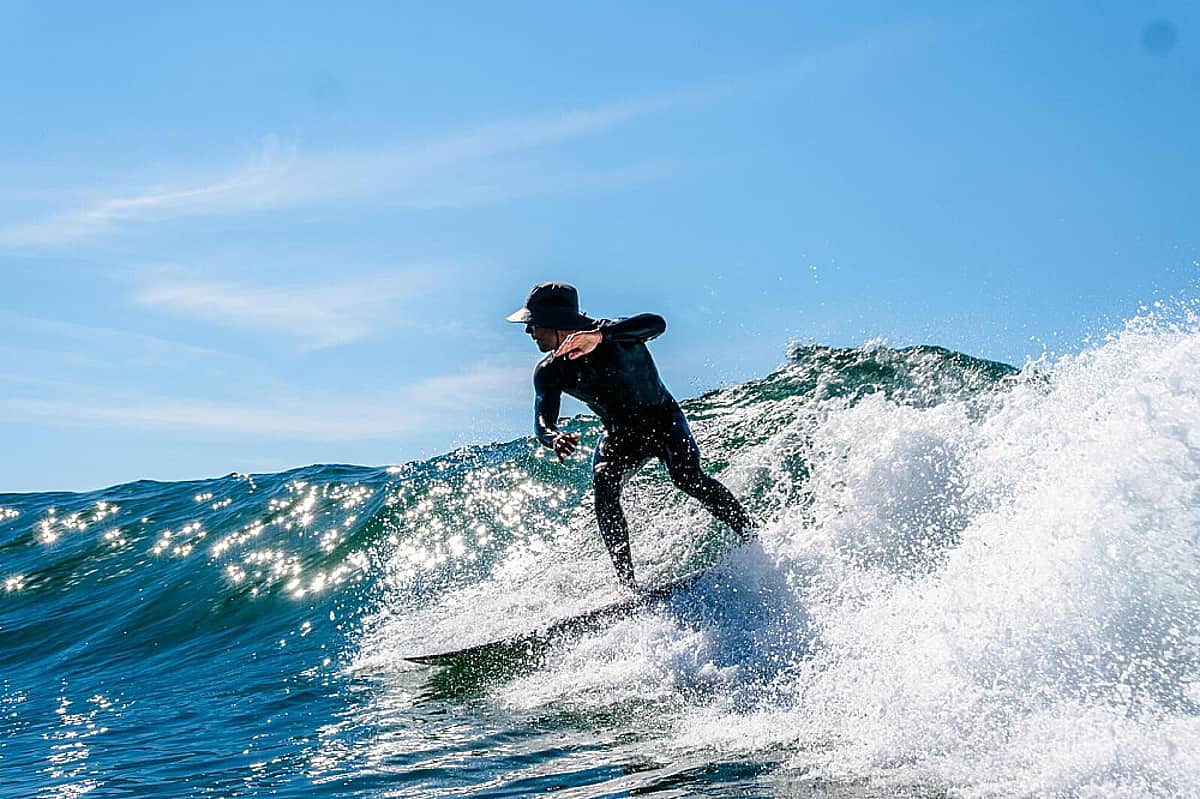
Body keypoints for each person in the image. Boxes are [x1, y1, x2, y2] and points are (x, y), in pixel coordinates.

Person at [507, 281, 753, 589]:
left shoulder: (614, 334)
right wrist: (553, 436)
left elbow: (656, 323)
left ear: (554, 321)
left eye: (533, 324)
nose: (529, 332)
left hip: (663, 421)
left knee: (686, 476)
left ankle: (751, 535)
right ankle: (628, 585)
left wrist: (600, 337)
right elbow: (543, 418)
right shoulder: (550, 370)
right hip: (621, 435)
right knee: (604, 484)